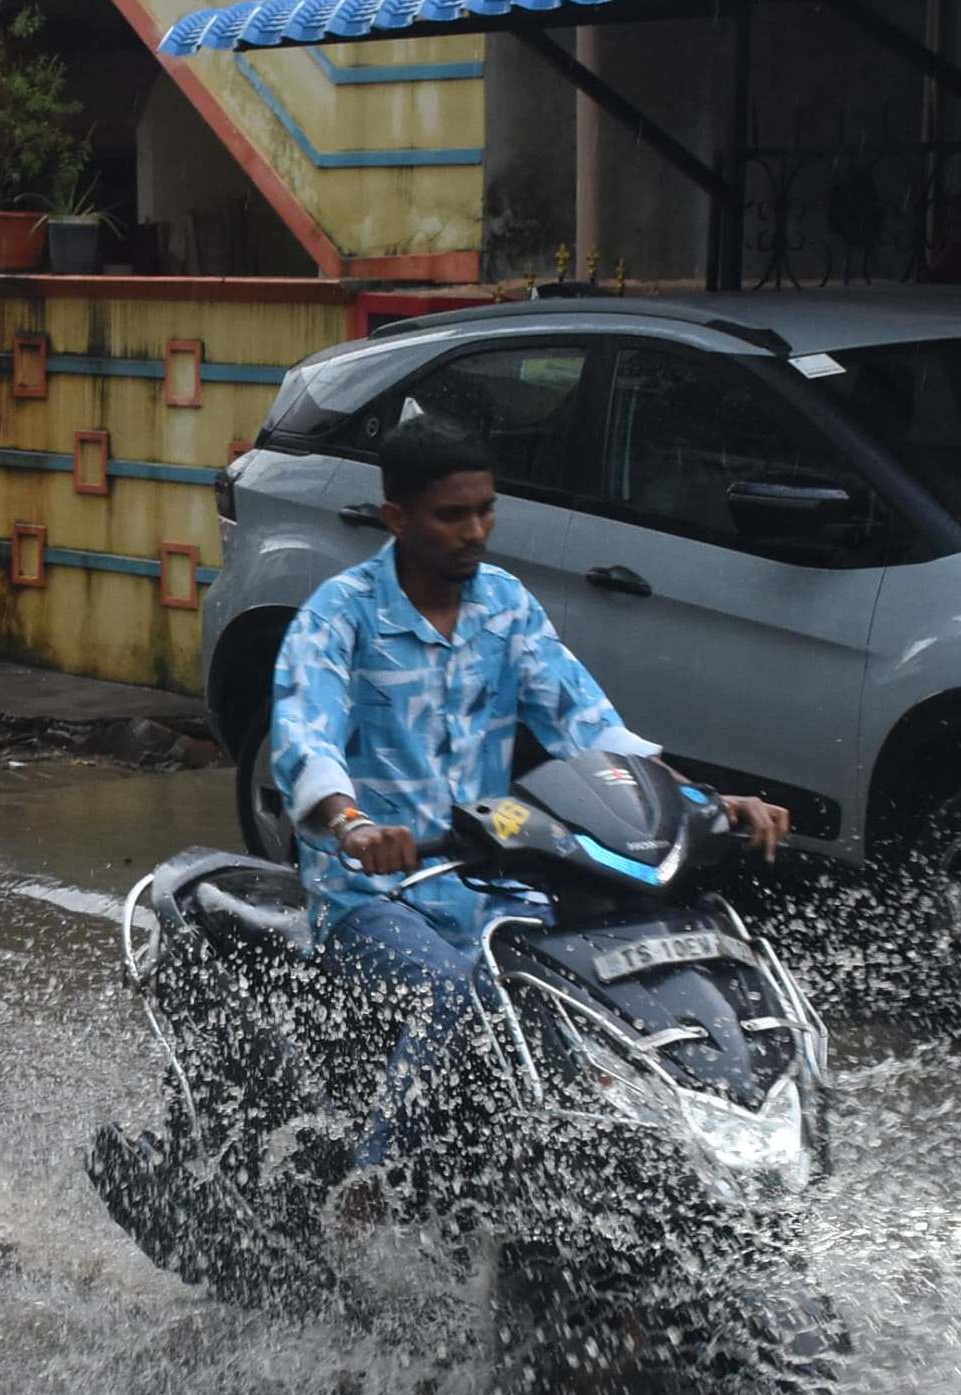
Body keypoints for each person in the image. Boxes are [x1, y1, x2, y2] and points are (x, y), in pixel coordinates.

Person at [267, 416, 792, 1224]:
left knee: (599, 992)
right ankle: (371, 1188)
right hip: (375, 894)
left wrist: (710, 802)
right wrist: (353, 826)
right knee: (459, 993)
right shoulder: (341, 615)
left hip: (495, 881)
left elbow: (592, 728)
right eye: (452, 515)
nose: (475, 531)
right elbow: (305, 736)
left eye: (486, 510)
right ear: (396, 517)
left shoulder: (505, 604)